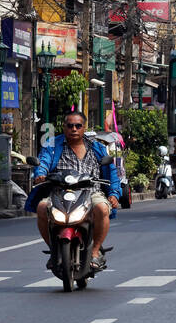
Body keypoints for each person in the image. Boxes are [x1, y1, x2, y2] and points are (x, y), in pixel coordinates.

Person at [27, 112, 121, 270]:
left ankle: (96, 252)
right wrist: (41, 174)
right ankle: (54, 251)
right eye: (70, 126)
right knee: (42, 207)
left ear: (84, 128)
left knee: (102, 208)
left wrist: (114, 194)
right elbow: (44, 161)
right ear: (64, 128)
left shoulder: (97, 147)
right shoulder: (52, 144)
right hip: (59, 192)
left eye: (78, 126)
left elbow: (111, 172)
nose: (74, 129)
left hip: (90, 192)